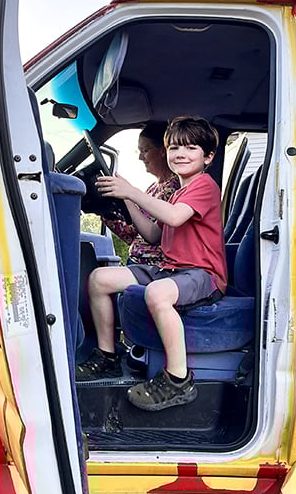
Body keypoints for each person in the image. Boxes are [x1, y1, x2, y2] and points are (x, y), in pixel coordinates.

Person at [76, 116, 227, 411]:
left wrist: (132, 191)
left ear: (208, 157)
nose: (180, 154)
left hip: (202, 274)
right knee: (99, 279)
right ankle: (107, 356)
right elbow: (154, 234)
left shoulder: (204, 186)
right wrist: (126, 199)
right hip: (170, 268)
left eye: (191, 148)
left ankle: (178, 379)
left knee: (157, 293)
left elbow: (173, 217)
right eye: (174, 148)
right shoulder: (179, 191)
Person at [101, 123, 179, 265]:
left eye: (145, 150)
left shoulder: (174, 188)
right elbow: (133, 235)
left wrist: (128, 196)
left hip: (153, 266)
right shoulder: (152, 189)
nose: (140, 158)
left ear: (162, 151)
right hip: (137, 262)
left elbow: (153, 236)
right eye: (140, 151)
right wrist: (107, 214)